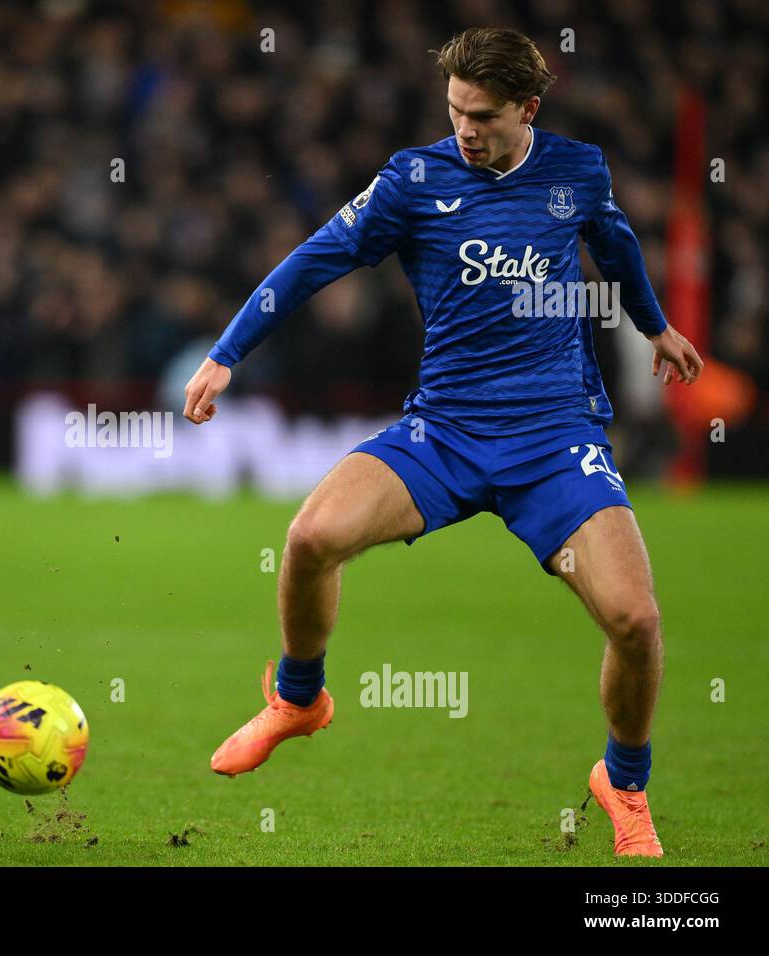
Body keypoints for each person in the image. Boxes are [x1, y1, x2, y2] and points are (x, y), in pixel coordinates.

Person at [182, 27, 703, 858]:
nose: (464, 127)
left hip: (554, 438)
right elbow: (315, 260)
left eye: (484, 116)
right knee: (311, 537)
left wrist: (655, 327)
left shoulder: (577, 170)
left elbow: (616, 243)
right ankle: (298, 698)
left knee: (636, 621)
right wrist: (225, 354)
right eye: (455, 109)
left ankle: (624, 783)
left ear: (528, 109)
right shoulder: (412, 181)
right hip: (446, 432)